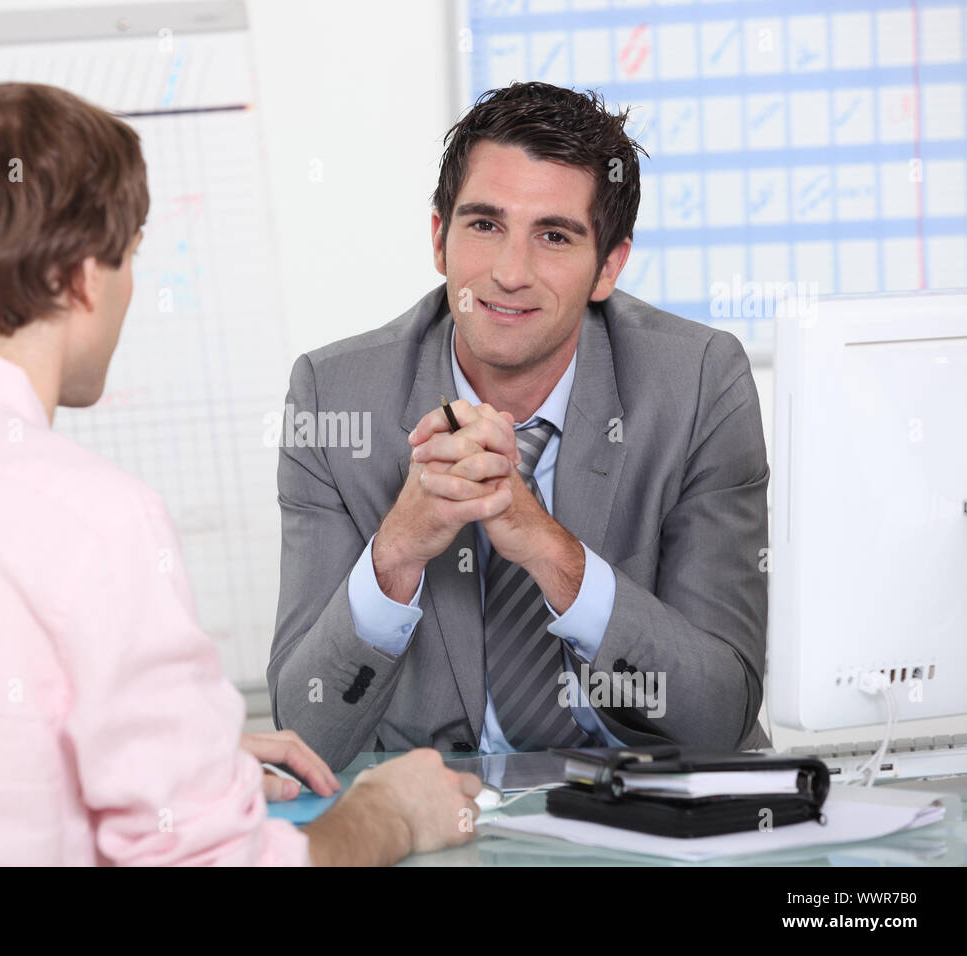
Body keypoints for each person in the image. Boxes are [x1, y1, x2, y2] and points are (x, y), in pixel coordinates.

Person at [0, 82, 480, 866]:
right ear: (80, 278)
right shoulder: (90, 519)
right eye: (130, 256)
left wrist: (180, 769)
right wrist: (391, 815)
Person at [268, 81, 772, 772]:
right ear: (440, 238)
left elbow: (720, 719)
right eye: (484, 225)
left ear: (609, 267)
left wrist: (550, 552)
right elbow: (303, 736)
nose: (509, 273)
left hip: (647, 805)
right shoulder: (333, 399)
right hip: (442, 814)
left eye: (555, 236)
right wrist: (395, 556)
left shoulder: (698, 383)